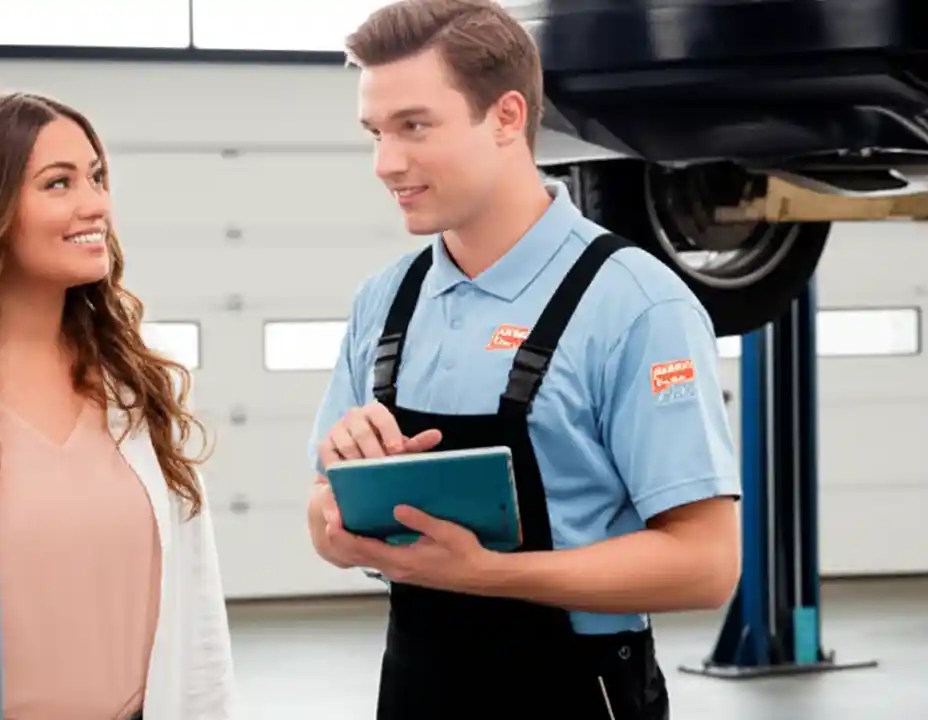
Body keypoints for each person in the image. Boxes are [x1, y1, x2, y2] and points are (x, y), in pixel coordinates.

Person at [306, 1, 742, 718]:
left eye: (415, 126)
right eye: (375, 132)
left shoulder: (635, 306)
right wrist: (337, 515)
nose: (387, 163)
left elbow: (705, 566)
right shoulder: (384, 303)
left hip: (577, 691)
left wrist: (490, 574)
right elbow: (321, 523)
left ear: (508, 117)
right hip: (415, 688)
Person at [0, 91, 236, 720]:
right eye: (58, 183)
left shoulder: (134, 383)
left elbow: (196, 608)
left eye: (97, 177)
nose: (97, 204)